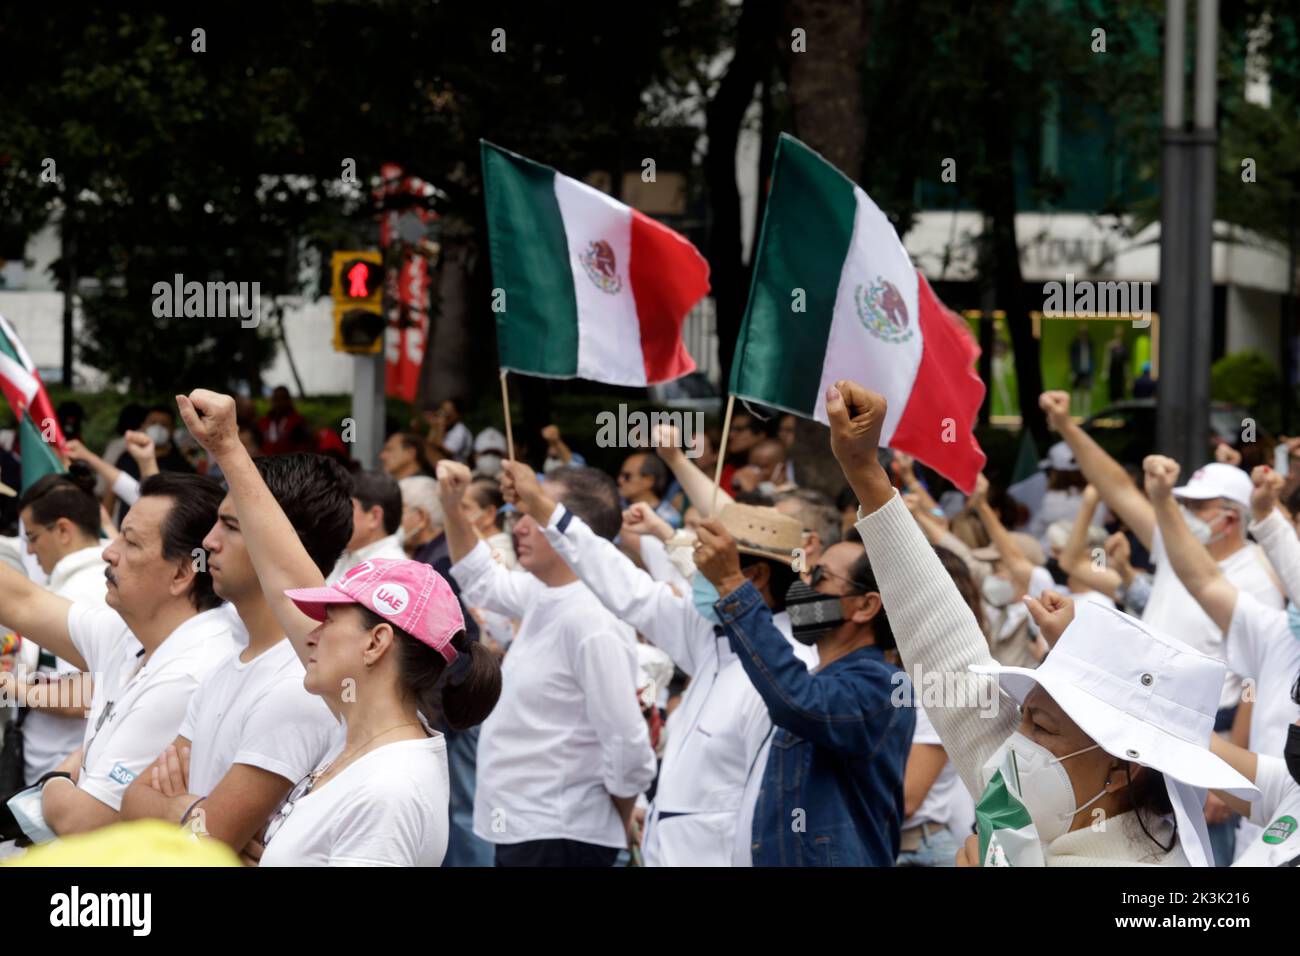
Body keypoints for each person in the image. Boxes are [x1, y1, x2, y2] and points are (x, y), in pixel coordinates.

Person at [828, 378, 1257, 866]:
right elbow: (945, 649)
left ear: (1125, 768)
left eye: (1041, 728)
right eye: (1024, 718)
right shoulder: (1019, 818)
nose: (1014, 740)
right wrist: (865, 471)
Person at [172, 389, 502, 867]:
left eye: (330, 618)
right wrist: (228, 447)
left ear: (376, 643)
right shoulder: (365, 738)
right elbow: (285, 574)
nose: (309, 630)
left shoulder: (390, 790)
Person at [504, 446, 816, 867]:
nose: (693, 572)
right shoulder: (712, 634)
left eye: (706, 560)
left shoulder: (792, 672)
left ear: (755, 577)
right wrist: (544, 509)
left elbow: (768, 811)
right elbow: (623, 584)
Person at [120, 453, 352, 854]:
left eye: (230, 525)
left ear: (278, 542)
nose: (208, 541)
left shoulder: (299, 685)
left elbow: (207, 845)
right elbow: (132, 801)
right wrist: (190, 811)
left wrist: (181, 815)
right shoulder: (232, 663)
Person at [442, 458, 656, 866]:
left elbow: (627, 741)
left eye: (533, 516)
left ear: (574, 531)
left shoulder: (593, 618)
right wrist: (452, 506)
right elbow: (481, 580)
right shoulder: (545, 591)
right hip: (529, 828)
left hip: (562, 832)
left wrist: (625, 814)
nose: (518, 526)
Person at [0, 472, 236, 838]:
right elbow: (21, 602)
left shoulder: (188, 674)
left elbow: (81, 819)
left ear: (183, 572)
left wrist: (56, 779)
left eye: (131, 543)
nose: (109, 552)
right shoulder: (133, 635)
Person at [694, 522, 914, 866]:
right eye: (807, 574)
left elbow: (799, 701)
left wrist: (731, 584)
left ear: (865, 606)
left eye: (820, 577)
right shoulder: (823, 678)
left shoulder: (882, 686)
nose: (804, 586)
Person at [1143, 458, 1300, 857]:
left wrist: (1266, 519)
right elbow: (1204, 580)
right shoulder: (1279, 632)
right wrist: (1162, 500)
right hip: (1260, 825)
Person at [5, 472, 107, 785]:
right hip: (61, 766)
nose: (31, 551)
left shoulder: (83, 591)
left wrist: (11, 687)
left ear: (63, 530)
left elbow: (86, 697)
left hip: (63, 773)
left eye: (33, 537)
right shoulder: (95, 576)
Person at [326, 471, 406, 584]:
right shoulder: (345, 553)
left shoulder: (392, 571)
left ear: (374, 516)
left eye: (345, 507)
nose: (335, 515)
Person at [617, 451, 680, 529]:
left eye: (627, 476)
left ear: (648, 481)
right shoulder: (616, 505)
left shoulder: (669, 518)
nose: (620, 480)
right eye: (621, 475)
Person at [257, 386, 311, 455]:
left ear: (289, 400)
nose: (279, 402)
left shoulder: (298, 421)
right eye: (276, 398)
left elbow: (304, 448)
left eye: (283, 398)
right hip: (265, 462)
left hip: (290, 463)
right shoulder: (263, 422)